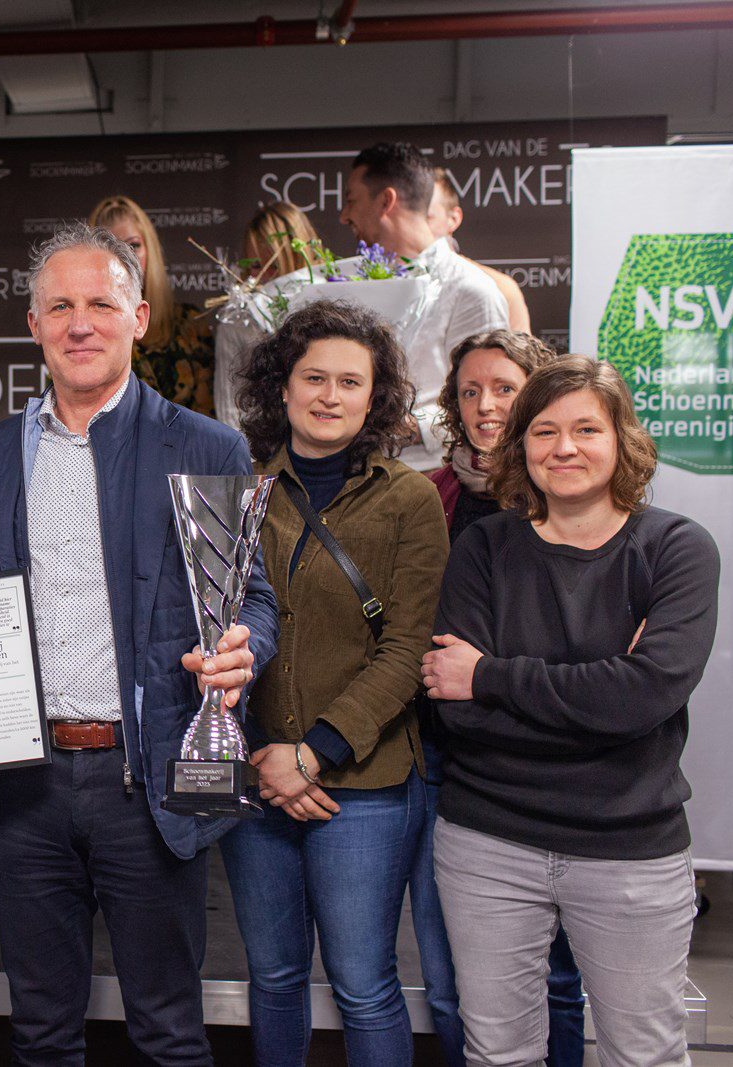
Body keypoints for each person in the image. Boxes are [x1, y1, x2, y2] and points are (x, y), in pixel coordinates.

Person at [0, 222, 278, 1066]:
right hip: (28, 787)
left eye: (101, 303)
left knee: (170, 1031)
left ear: (139, 316)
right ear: (32, 325)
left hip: (145, 783)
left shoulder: (205, 445)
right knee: (39, 1033)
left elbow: (247, 595)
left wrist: (246, 647)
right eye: (59, 305)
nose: (80, 323)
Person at [424, 356, 719, 1067]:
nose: (564, 447)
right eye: (545, 430)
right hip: (489, 844)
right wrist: (599, 689)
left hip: (630, 852)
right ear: (521, 445)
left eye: (587, 427)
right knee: (499, 1053)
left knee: (641, 1054)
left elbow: (642, 697)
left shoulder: (675, 550)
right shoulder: (483, 548)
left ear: (622, 440)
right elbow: (454, 713)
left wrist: (490, 675)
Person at [225, 299, 449, 1067]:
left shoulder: (409, 500)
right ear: (280, 388)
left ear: (375, 396)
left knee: (362, 983)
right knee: (275, 976)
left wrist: (311, 753)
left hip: (368, 782)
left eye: (349, 382)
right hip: (256, 779)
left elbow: (406, 651)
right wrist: (267, 758)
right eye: (313, 376)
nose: (329, 395)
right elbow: (217, 630)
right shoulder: (240, 491)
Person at [412, 330, 585, 1067]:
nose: (485, 406)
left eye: (505, 388)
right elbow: (425, 647)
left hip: (555, 773)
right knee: (454, 984)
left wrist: (490, 676)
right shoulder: (427, 495)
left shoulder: (572, 500)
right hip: (447, 767)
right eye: (469, 390)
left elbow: (581, 662)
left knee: (557, 981)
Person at [337, 142, 509, 468]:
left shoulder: (471, 290)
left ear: (386, 201)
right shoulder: (349, 284)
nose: (344, 216)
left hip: (436, 477)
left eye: (351, 201)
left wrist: (401, 427)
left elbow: (491, 402)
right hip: (354, 473)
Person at [88, 194, 217, 418]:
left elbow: (209, 418)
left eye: (133, 245)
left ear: (150, 250)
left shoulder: (189, 323)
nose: (125, 257)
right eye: (111, 248)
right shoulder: (81, 330)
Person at [214, 202, 323, 429]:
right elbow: (229, 410)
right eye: (255, 265)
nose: (265, 276)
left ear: (300, 256)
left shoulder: (332, 309)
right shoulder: (236, 319)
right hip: (263, 453)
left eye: (274, 265)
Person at [428, 168, 532, 332]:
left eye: (426, 216)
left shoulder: (502, 288)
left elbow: (523, 356)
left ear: (453, 219)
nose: (414, 226)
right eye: (410, 214)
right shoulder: (385, 284)